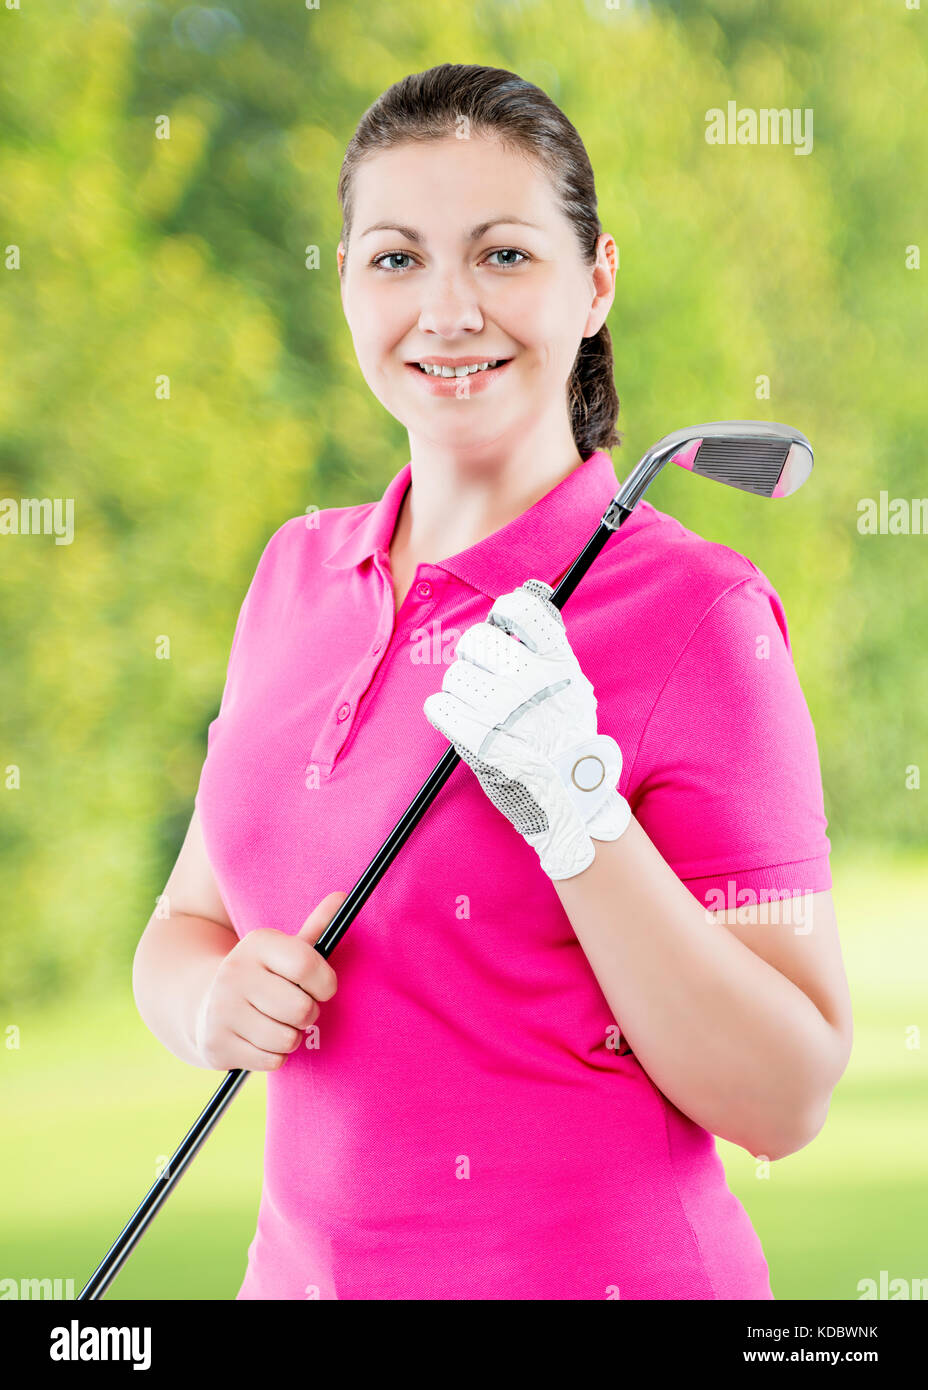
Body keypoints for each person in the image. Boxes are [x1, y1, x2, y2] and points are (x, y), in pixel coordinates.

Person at [132, 63, 853, 1300]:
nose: (448, 310)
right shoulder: (295, 573)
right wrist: (212, 1005)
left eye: (505, 255)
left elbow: (786, 1094)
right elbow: (188, 924)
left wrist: (579, 814)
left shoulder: (700, 615)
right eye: (397, 259)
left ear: (596, 282)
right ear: (347, 284)